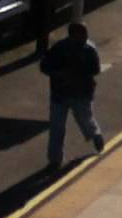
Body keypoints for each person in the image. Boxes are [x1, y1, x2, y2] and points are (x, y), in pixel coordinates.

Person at [41, 22, 105, 171]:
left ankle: (95, 135)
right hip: (60, 93)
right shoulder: (58, 49)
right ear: (72, 35)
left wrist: (77, 75)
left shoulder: (89, 50)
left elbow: (95, 69)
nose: (85, 37)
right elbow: (44, 66)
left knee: (85, 119)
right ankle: (55, 159)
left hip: (81, 94)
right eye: (82, 34)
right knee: (57, 128)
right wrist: (58, 74)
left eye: (85, 34)